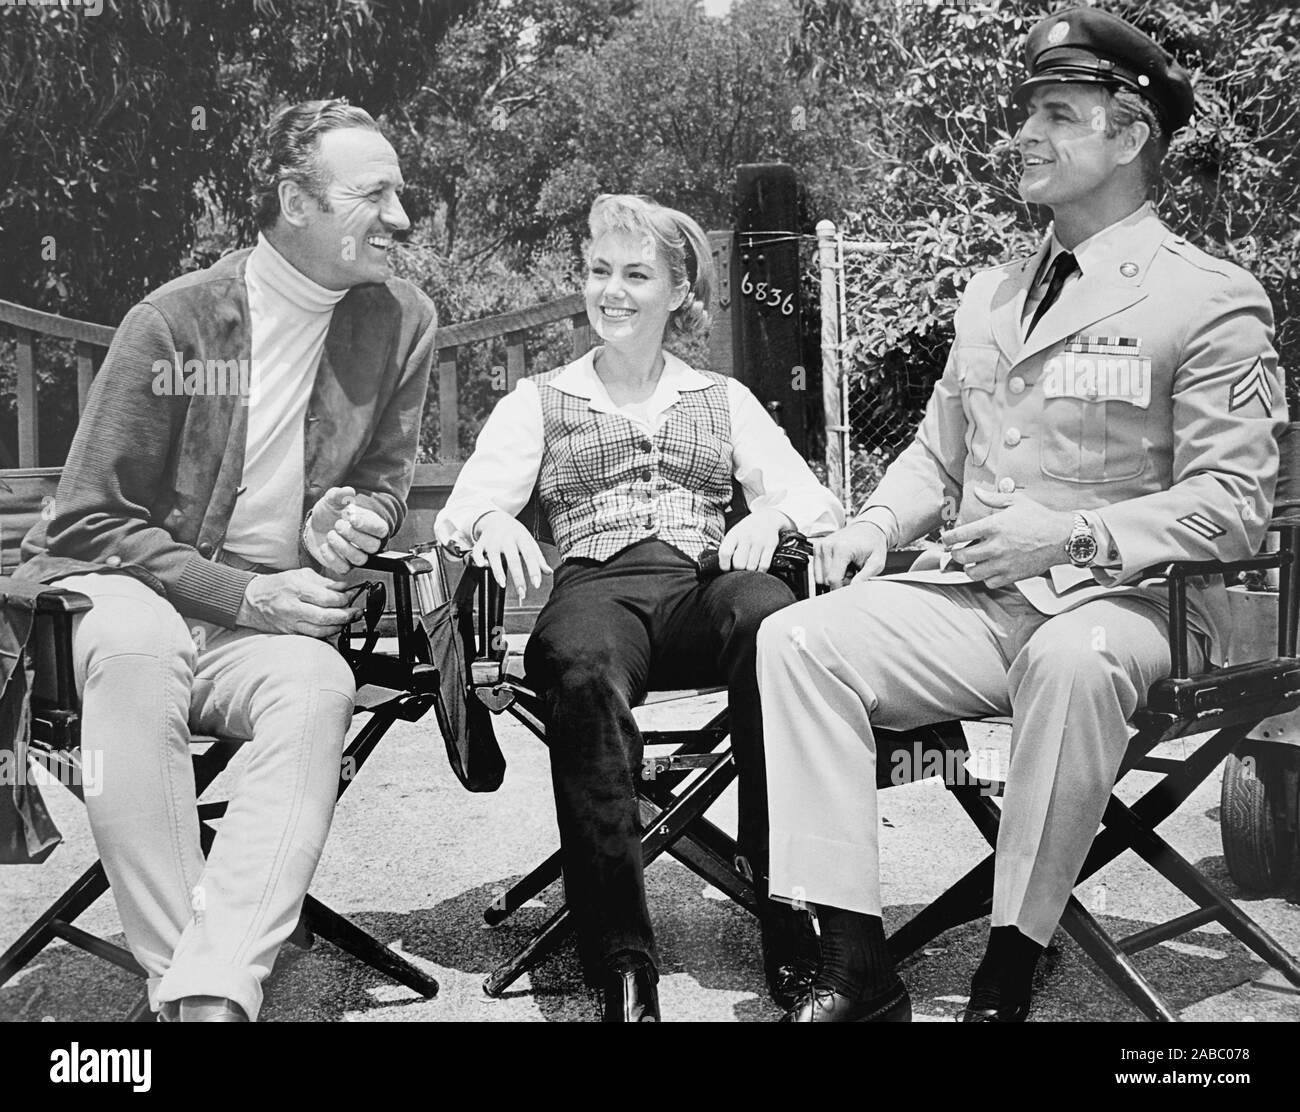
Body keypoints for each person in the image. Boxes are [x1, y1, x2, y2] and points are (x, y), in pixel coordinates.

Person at [757, 6, 1285, 1022]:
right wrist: (873, 522)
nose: (1024, 136)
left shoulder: (1207, 299)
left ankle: (1011, 954)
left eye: (1057, 113)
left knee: (1071, 657)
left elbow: (1231, 507)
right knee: (796, 641)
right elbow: (935, 451)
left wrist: (1075, 533)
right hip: (988, 599)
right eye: (1026, 112)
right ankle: (857, 961)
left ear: (1128, 136)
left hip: (1140, 606)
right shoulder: (992, 295)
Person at [16, 99, 437, 1021]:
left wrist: (352, 520)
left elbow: (386, 479)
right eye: (375, 196)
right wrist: (243, 592)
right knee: (137, 647)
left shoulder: (399, 320)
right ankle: (190, 992)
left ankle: (214, 983)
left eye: (400, 195)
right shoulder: (174, 324)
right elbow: (89, 522)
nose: (402, 220)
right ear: (295, 200)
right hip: (120, 596)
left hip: (259, 624)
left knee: (318, 684)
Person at [436, 194, 843, 1021]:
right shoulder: (539, 400)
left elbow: (814, 501)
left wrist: (771, 515)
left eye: (635, 274)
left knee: (774, 625)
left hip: (703, 585)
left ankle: (791, 912)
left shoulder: (720, 396)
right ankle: (621, 957)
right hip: (596, 588)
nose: (611, 292)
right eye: (598, 272)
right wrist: (487, 522)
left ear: (678, 291)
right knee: (580, 668)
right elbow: (465, 507)